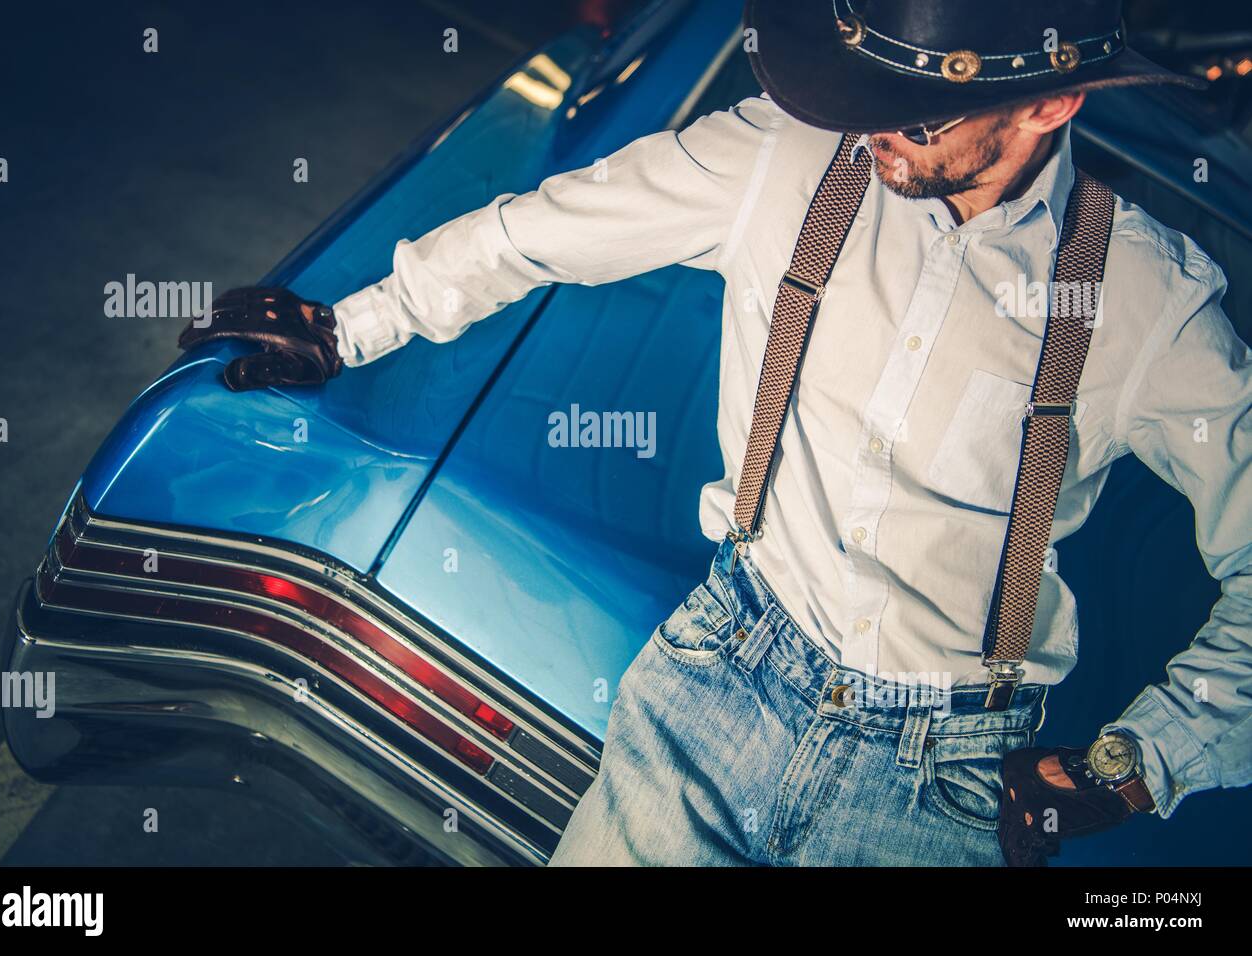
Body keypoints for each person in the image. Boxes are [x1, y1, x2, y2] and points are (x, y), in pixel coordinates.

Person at [182, 0, 1250, 865]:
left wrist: (1138, 761)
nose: (874, 124)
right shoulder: (782, 163)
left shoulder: (1148, 305)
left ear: (1048, 103)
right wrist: (351, 325)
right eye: (873, 88)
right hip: (721, 675)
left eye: (915, 114)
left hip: (939, 779)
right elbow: (544, 231)